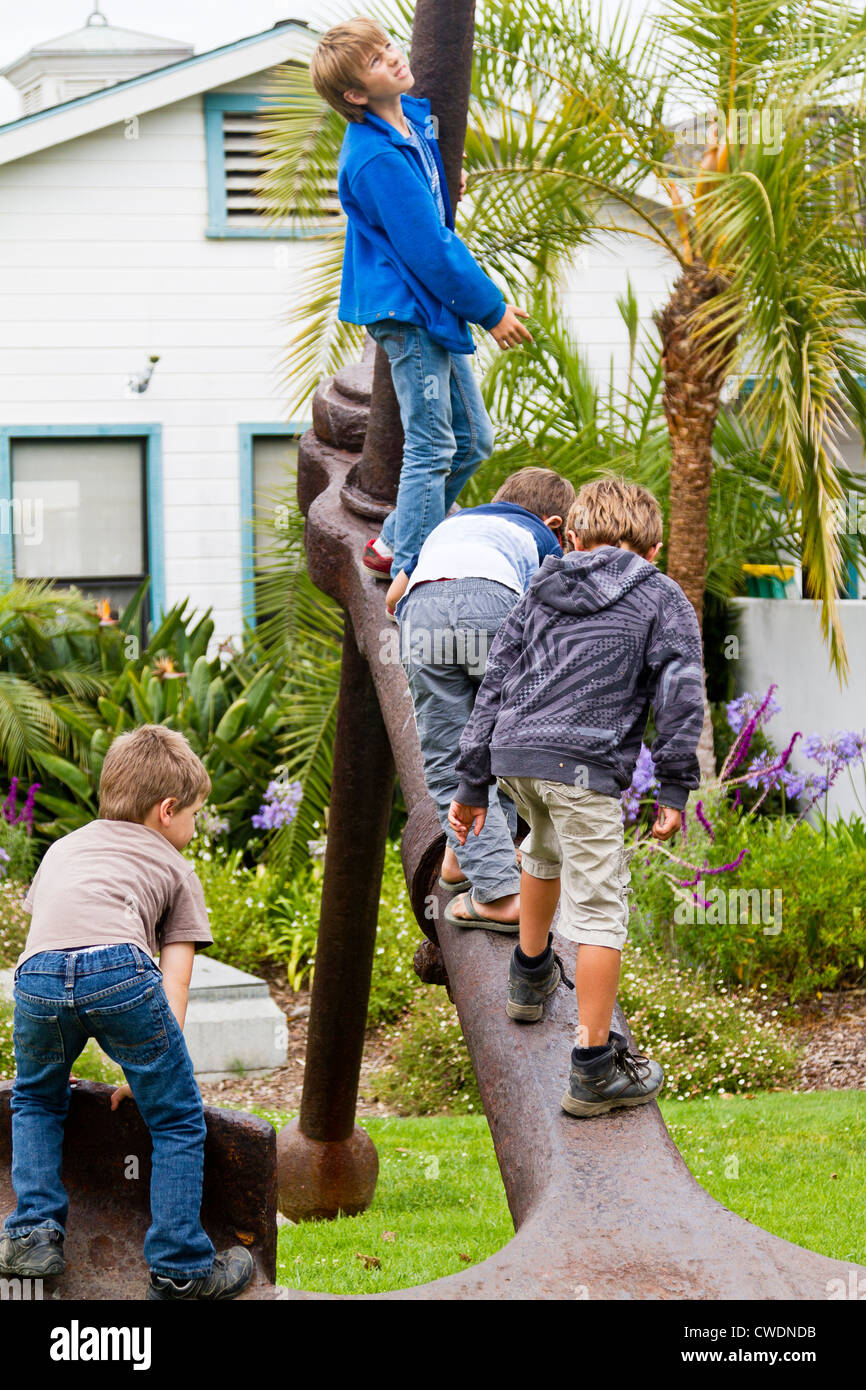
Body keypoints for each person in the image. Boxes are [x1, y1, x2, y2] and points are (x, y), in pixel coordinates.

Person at [448, 478, 705, 1117]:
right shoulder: (660, 594)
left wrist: (473, 779)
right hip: (583, 769)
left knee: (541, 845)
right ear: (654, 549)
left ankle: (530, 973)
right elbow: (681, 691)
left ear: (571, 536)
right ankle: (594, 1065)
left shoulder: (542, 584)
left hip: (516, 759)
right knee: (599, 912)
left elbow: (496, 684)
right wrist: (673, 783)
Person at [0, 725, 254, 1301]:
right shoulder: (174, 866)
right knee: (177, 1119)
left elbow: (50, 926)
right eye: (194, 814)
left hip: (37, 975)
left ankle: (32, 1235)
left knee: (38, 1098)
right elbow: (176, 976)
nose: (192, 828)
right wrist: (156, 1074)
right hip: (120, 969)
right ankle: (179, 1267)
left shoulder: (63, 847)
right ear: (167, 811)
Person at [310, 17, 533, 583]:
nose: (394, 58)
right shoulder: (374, 157)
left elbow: (427, 192)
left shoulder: (408, 121)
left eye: (388, 47)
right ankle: (412, 569)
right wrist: (491, 310)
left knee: (474, 441)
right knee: (432, 444)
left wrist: (440, 180)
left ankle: (396, 540)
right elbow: (428, 248)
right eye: (378, 61)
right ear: (356, 95)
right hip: (408, 312)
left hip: (427, 305)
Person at [386, 467, 575, 931]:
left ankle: (461, 855)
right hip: (494, 605)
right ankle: (504, 895)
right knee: (506, 738)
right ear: (554, 525)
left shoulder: (447, 528)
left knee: (451, 754)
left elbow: (393, 599)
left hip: (422, 612)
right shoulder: (540, 539)